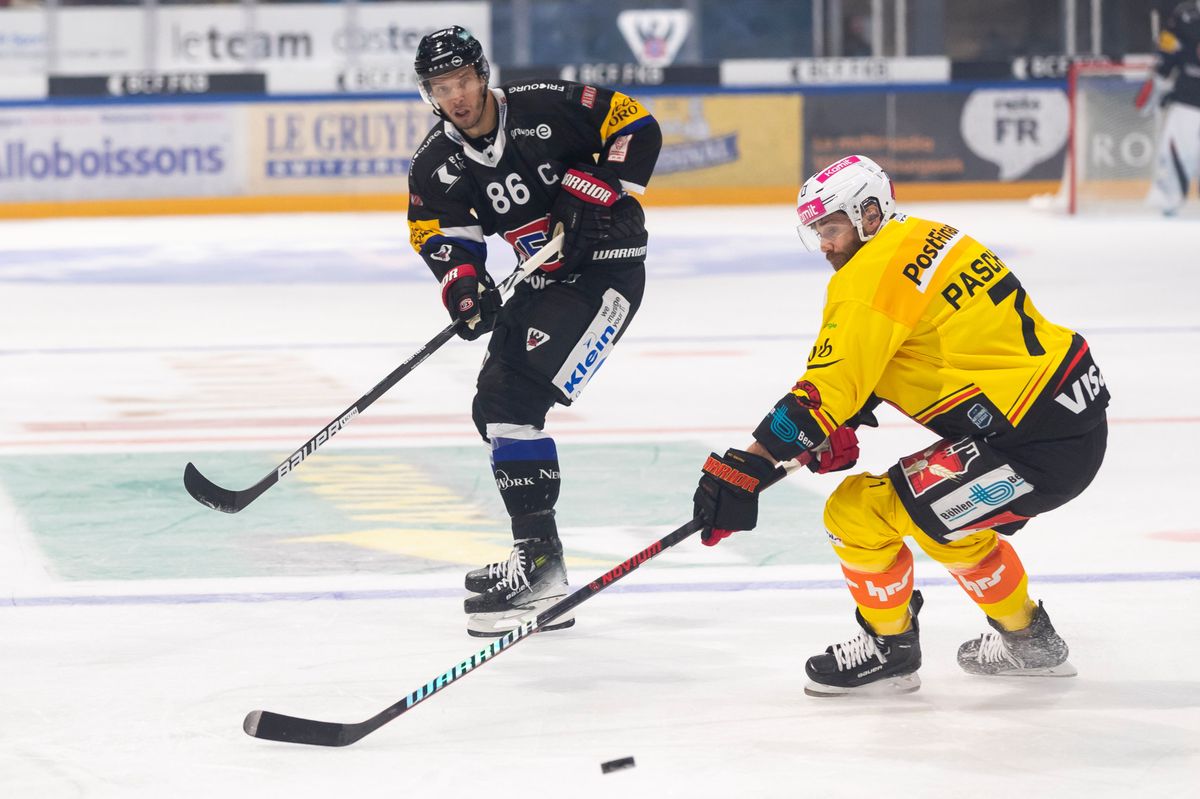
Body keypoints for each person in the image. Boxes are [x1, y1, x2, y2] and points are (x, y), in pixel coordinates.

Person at [692, 155, 1109, 696]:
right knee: (945, 519)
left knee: (857, 512)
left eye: (833, 227)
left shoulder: (866, 279)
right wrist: (842, 420)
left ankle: (890, 648)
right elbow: (926, 349)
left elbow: (823, 390)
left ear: (869, 213)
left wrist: (747, 464)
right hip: (1065, 419)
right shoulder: (936, 236)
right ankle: (1030, 642)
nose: (825, 245)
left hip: (1030, 447)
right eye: (818, 231)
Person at [406, 27, 662, 637]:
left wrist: (606, 187)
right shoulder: (436, 162)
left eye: (464, 80)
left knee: (510, 403)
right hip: (541, 283)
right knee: (492, 406)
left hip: (605, 275)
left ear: (482, 74)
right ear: (430, 94)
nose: (458, 97)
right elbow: (436, 233)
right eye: (443, 88)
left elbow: (636, 124)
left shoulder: (546, 104)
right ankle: (536, 555)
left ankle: (544, 574)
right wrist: (464, 287)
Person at [1137, 0, 1200, 215]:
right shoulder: (1184, 16)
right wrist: (1156, 87)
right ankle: (1168, 203)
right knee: (1175, 153)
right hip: (1187, 102)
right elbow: (1167, 59)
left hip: (1186, 102)